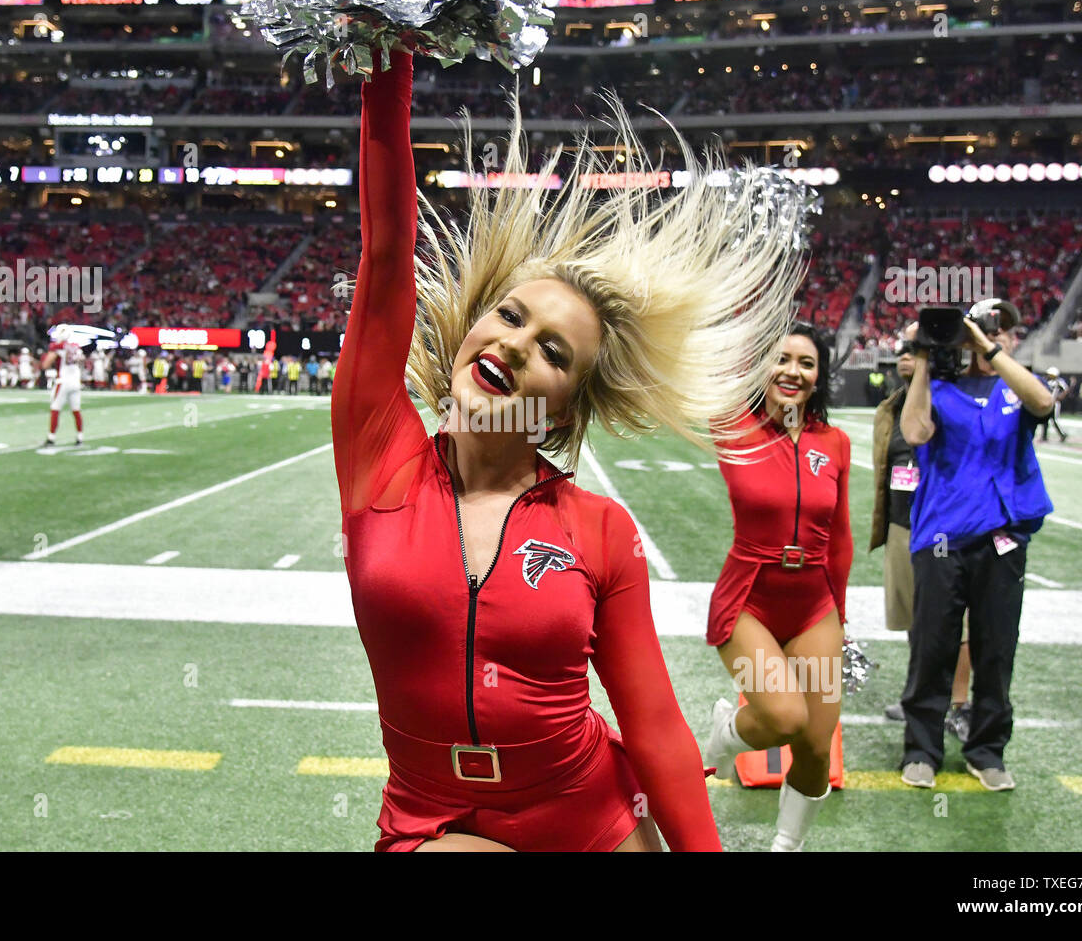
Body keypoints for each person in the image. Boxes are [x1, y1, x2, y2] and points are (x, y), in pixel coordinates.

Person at [334, 47, 804, 851]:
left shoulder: (600, 530)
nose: (517, 346)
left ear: (562, 409)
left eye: (554, 352)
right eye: (511, 317)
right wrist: (389, 65)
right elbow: (383, 262)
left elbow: (652, 722)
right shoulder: (381, 455)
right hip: (434, 820)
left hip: (590, 814)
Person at [702, 322, 851, 852]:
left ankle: (785, 846)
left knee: (814, 745)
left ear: (820, 377)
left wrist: (841, 613)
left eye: (806, 363)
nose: (793, 371)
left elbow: (840, 538)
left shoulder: (834, 443)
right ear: (761, 367)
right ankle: (725, 734)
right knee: (785, 717)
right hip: (750, 597)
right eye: (781, 359)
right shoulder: (729, 425)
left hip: (815, 603)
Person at [897, 299, 1055, 792]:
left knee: (995, 649)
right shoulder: (940, 388)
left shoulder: (1015, 389)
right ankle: (921, 749)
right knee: (932, 648)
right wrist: (923, 355)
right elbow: (913, 430)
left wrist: (991, 349)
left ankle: (986, 751)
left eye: (1003, 328)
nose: (995, 335)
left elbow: (1044, 403)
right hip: (943, 537)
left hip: (1001, 540)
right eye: (989, 327)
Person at [870, 340, 971, 737]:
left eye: (917, 348)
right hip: (901, 523)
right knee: (916, 620)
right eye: (903, 349)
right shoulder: (892, 406)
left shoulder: (950, 397)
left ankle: (959, 705)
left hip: (944, 526)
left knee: (956, 623)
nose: (906, 355)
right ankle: (920, 694)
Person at [40, 325, 85, 446]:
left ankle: (51, 437)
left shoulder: (57, 346)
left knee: (55, 408)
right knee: (76, 410)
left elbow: (46, 364)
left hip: (63, 381)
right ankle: (80, 436)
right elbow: (82, 360)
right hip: (76, 382)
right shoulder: (76, 346)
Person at [1039, 367, 1069, 443]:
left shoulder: (1059, 381)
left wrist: (1060, 396)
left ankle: (1063, 434)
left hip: (1055, 403)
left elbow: (1066, 389)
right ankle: (1044, 437)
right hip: (1047, 402)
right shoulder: (1045, 380)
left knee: (1054, 420)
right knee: (1045, 420)